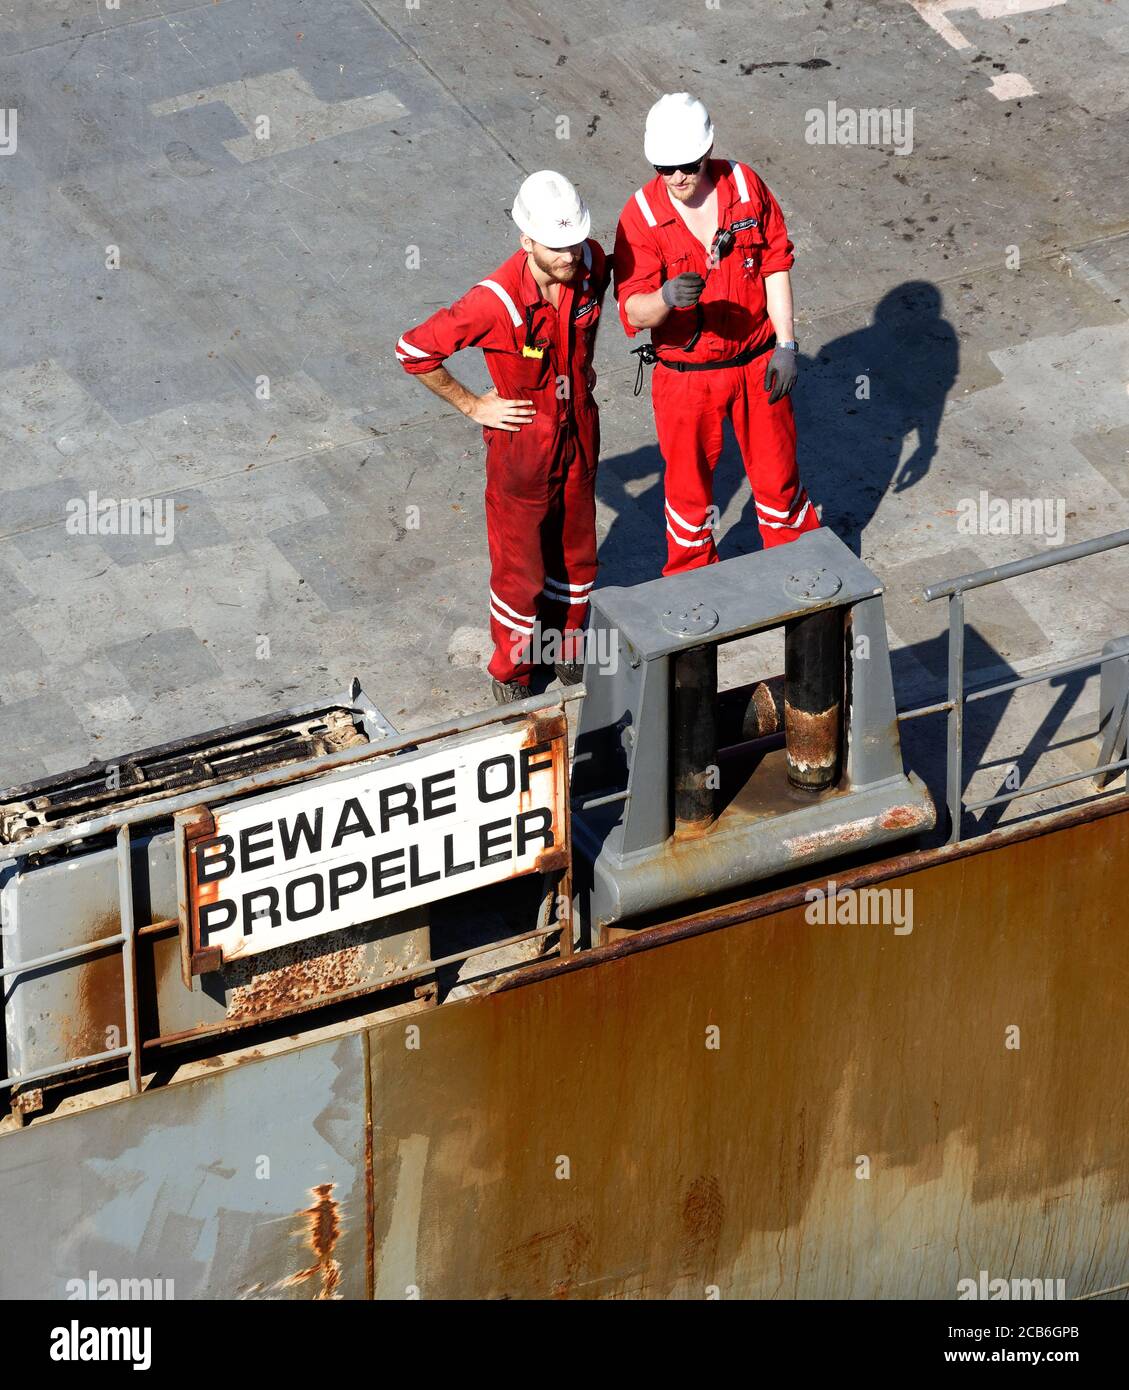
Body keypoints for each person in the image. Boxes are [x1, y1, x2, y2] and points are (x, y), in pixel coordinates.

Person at [396, 171, 609, 703]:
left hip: (580, 427)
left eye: (575, 241)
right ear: (527, 241)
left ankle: (567, 646)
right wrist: (474, 405)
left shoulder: (591, 262)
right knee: (521, 569)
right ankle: (511, 671)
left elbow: (602, 301)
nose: (570, 255)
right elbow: (414, 351)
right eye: (556, 246)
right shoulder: (492, 303)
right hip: (524, 443)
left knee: (578, 552)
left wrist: (583, 370)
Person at [614, 93, 820, 575]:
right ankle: (693, 591)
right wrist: (664, 298)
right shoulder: (640, 218)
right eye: (665, 168)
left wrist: (786, 345)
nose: (678, 178)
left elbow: (774, 264)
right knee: (688, 496)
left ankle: (807, 584)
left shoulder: (746, 187)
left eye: (687, 165)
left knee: (779, 480)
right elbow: (632, 311)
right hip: (685, 379)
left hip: (756, 363)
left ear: (707, 152)